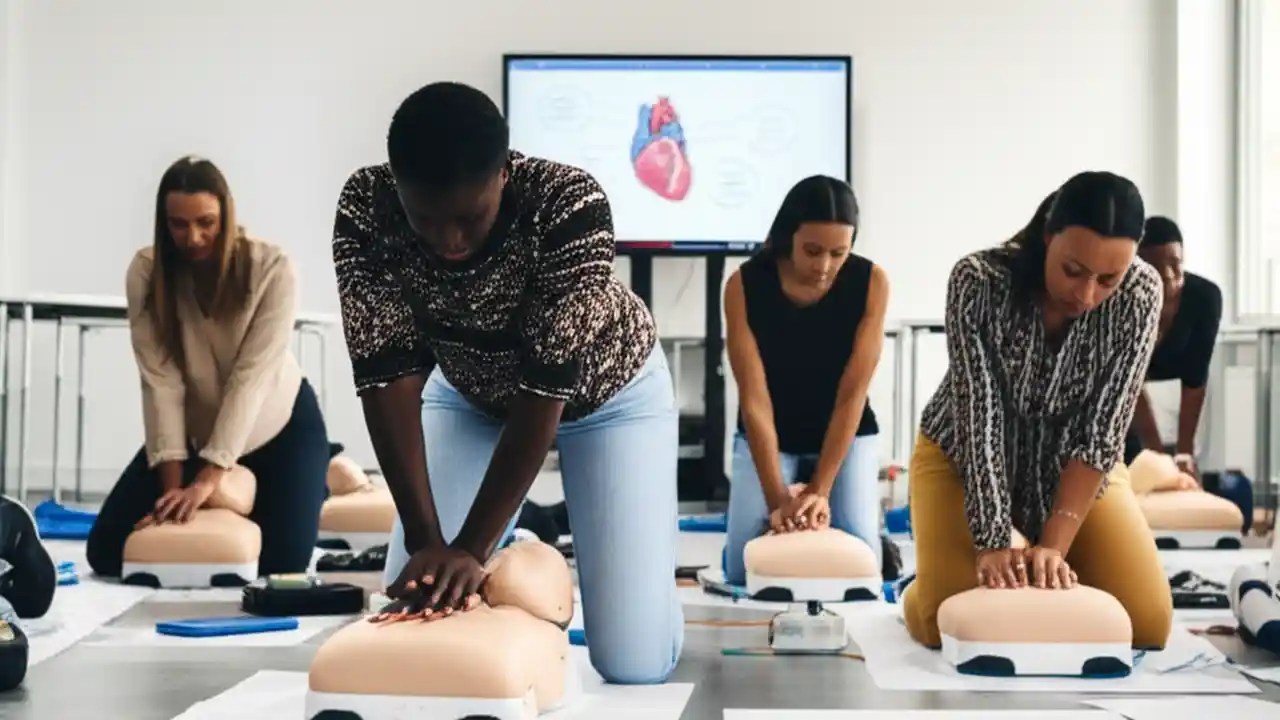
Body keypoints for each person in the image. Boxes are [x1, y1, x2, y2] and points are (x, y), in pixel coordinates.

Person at [330, 81, 682, 684]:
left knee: (634, 664)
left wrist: (469, 548)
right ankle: (516, 529)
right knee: (422, 600)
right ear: (397, 186)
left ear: (503, 175)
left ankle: (639, 584)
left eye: (468, 218)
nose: (449, 242)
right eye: (426, 220)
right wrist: (428, 541)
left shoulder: (569, 205)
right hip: (468, 395)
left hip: (611, 397)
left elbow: (542, 395)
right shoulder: (367, 207)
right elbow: (386, 381)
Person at [901, 172, 1173, 651]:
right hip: (963, 457)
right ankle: (920, 583)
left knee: (1147, 625)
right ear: (1048, 237)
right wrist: (991, 541)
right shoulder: (978, 280)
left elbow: (1104, 428)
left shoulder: (1141, 292)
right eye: (1073, 270)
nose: (1087, 295)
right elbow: (979, 416)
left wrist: (1056, 545)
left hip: (1076, 466)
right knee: (939, 625)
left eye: (1107, 279)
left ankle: (1038, 554)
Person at [86, 156, 331, 579]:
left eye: (206, 222)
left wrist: (208, 480)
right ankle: (232, 486)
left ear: (226, 213)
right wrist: (174, 490)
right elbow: (159, 381)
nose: (193, 237)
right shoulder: (146, 272)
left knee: (283, 561)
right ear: (164, 223)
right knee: (107, 552)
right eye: (178, 225)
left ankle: (328, 471)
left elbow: (250, 379)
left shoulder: (272, 267)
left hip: (279, 427)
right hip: (196, 433)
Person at [721, 175, 888, 585]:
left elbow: (853, 395)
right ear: (787, 238)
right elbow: (754, 398)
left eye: (839, 253)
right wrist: (779, 499)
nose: (825, 266)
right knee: (741, 569)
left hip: (847, 434)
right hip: (770, 432)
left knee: (863, 562)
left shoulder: (872, 283)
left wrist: (820, 491)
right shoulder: (743, 284)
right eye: (812, 251)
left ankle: (883, 539)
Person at [1124, 216, 1224, 478]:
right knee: (1138, 466)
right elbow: (1130, 382)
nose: (1168, 275)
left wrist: (1183, 453)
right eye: (1155, 267)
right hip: (1125, 392)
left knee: (1183, 467)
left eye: (1175, 264)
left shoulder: (1204, 297)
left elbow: (1195, 377)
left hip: (1178, 387)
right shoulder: (1123, 299)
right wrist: (1156, 457)